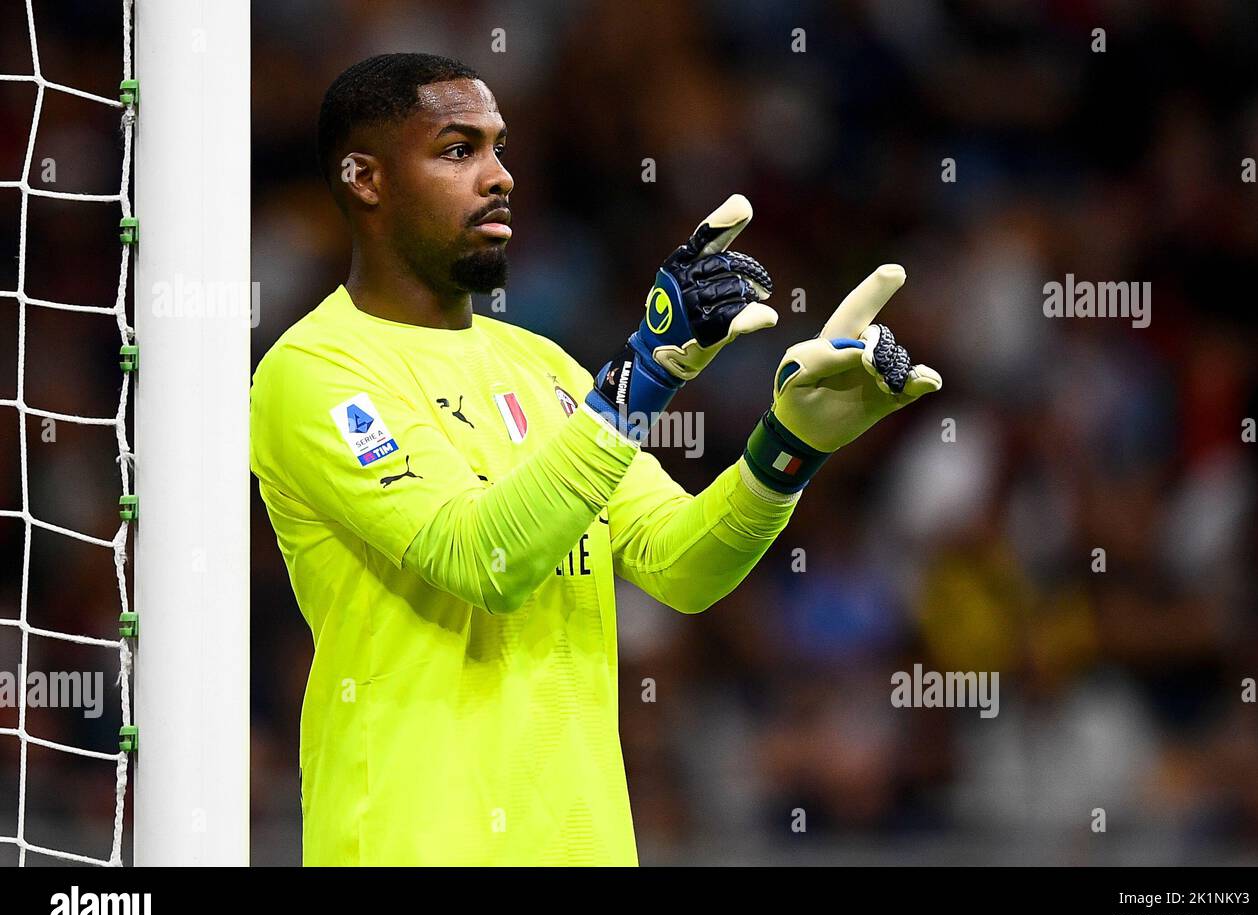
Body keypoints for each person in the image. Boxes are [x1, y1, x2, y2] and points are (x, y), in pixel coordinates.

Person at [250, 52, 940, 866]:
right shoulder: (315, 370)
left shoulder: (546, 370)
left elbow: (679, 566)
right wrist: (643, 375)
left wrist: (791, 445)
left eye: (500, 148)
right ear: (364, 178)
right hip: (413, 841)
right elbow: (481, 558)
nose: (499, 175)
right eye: (457, 149)